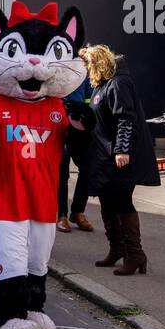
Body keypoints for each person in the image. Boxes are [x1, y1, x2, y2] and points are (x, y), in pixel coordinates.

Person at [81, 47, 160, 275]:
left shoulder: (117, 84)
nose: (86, 69)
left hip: (119, 156)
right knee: (107, 201)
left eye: (89, 64)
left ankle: (135, 254)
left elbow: (126, 118)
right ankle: (117, 249)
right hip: (104, 155)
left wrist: (121, 150)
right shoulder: (103, 83)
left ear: (98, 64)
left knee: (122, 201)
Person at [56, 69, 94, 234]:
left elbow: (89, 97)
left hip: (79, 124)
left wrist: (85, 113)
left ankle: (78, 212)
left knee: (87, 167)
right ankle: (61, 215)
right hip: (58, 123)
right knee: (62, 171)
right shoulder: (55, 69)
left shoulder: (83, 72)